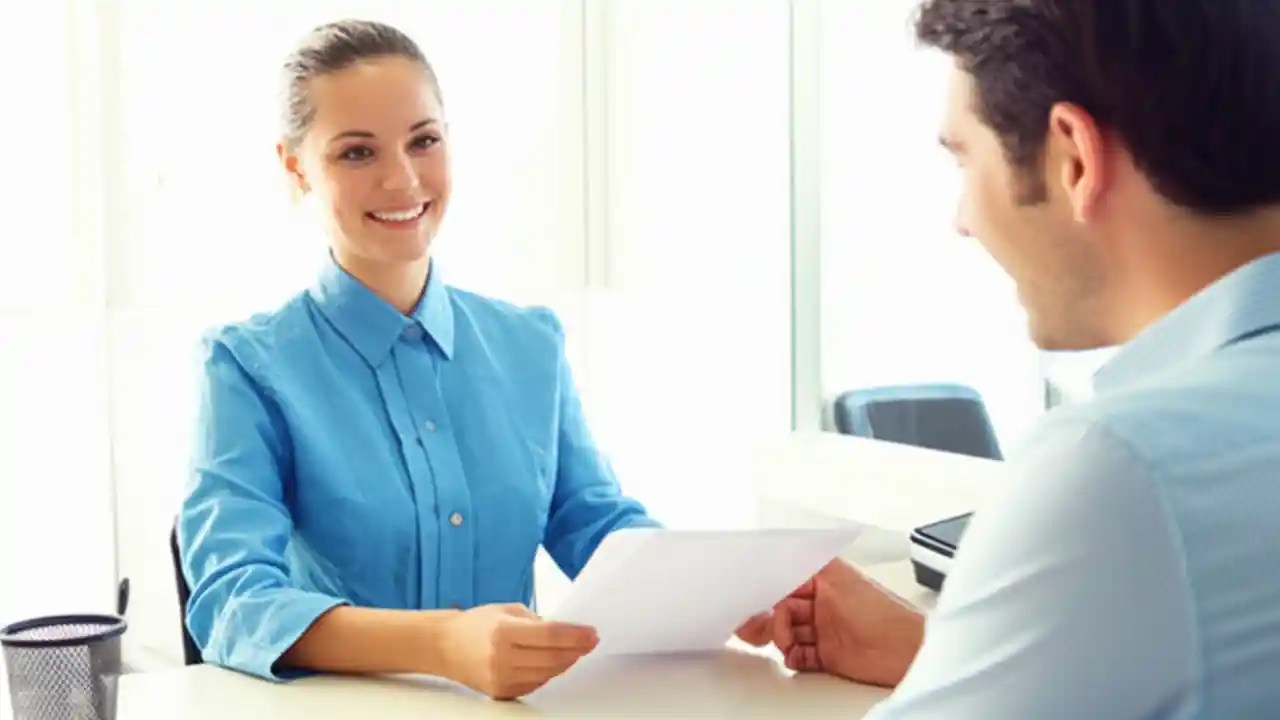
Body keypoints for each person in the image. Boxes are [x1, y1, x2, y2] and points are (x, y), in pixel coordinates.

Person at [740, 0, 1280, 716]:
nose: (963, 220)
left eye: (964, 159)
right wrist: (951, 650)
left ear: (1073, 157)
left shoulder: (1121, 469)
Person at [177, 19, 658, 701]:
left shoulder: (531, 345)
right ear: (296, 168)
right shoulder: (248, 367)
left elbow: (595, 524)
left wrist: (732, 595)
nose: (402, 180)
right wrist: (441, 645)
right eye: (356, 153)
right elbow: (231, 603)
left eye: (423, 141)